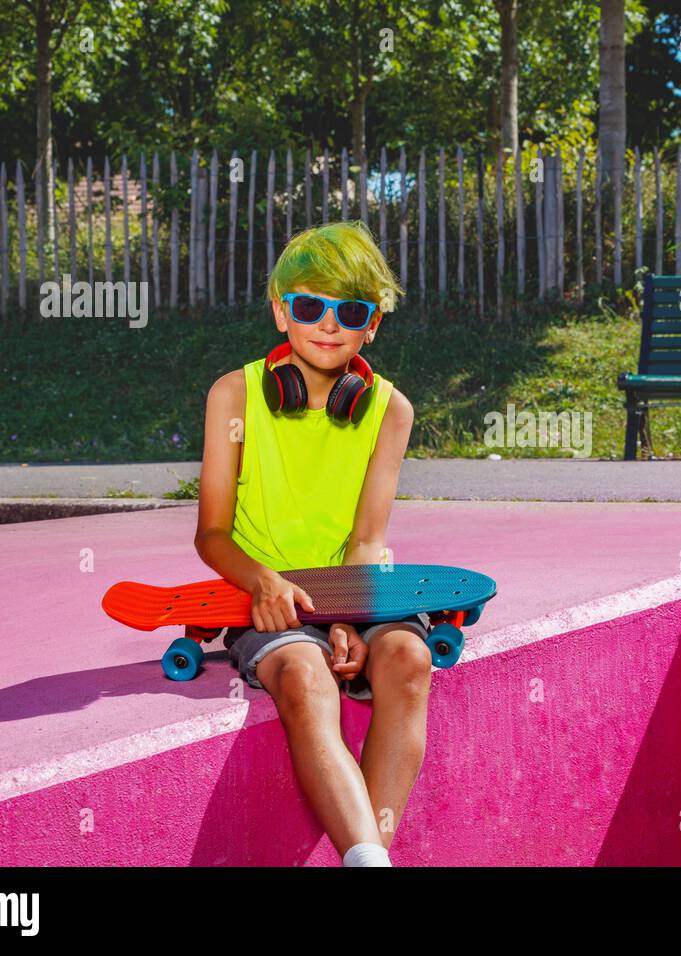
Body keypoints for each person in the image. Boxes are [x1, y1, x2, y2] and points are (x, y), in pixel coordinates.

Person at [194, 221, 420, 868]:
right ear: (280, 311)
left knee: (407, 658)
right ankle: (369, 860)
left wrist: (347, 615)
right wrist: (263, 581)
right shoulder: (234, 395)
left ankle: (370, 855)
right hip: (267, 595)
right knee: (303, 673)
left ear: (371, 323)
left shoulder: (389, 408)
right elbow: (211, 533)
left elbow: (368, 536)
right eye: (308, 306)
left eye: (349, 310)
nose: (328, 324)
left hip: (354, 586)